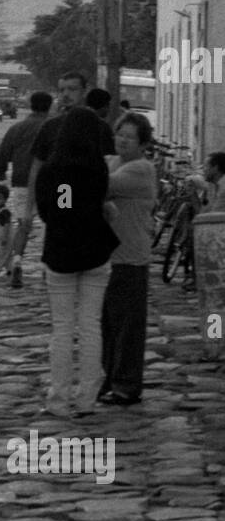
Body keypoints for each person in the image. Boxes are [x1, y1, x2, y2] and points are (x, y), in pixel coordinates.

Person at [34, 106, 119, 419]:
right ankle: (87, 399)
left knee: (62, 329)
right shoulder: (98, 167)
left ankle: (58, 398)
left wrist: (64, 210)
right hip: (96, 251)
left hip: (62, 252)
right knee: (90, 326)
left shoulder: (56, 170)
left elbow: (55, 209)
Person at [99, 112, 156, 407]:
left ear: (143, 144)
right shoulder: (113, 163)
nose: (122, 139)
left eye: (129, 136)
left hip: (131, 258)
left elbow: (98, 186)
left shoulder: (141, 169)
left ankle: (126, 385)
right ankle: (108, 379)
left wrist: (64, 189)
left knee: (128, 327)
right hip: (110, 257)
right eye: (119, 133)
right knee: (109, 324)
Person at [23, 71, 115, 237]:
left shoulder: (100, 128)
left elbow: (110, 167)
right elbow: (36, 168)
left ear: (84, 91)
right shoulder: (50, 127)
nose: (66, 94)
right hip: (59, 199)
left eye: (72, 89)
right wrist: (29, 209)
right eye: (62, 90)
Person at [0, 91, 53, 288]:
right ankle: (47, 267)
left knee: (23, 225)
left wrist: (1, 172)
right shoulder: (55, 127)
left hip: (22, 183)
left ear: (31, 105)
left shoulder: (17, 128)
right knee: (54, 225)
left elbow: (1, 155)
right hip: (56, 185)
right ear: (49, 106)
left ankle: (17, 260)